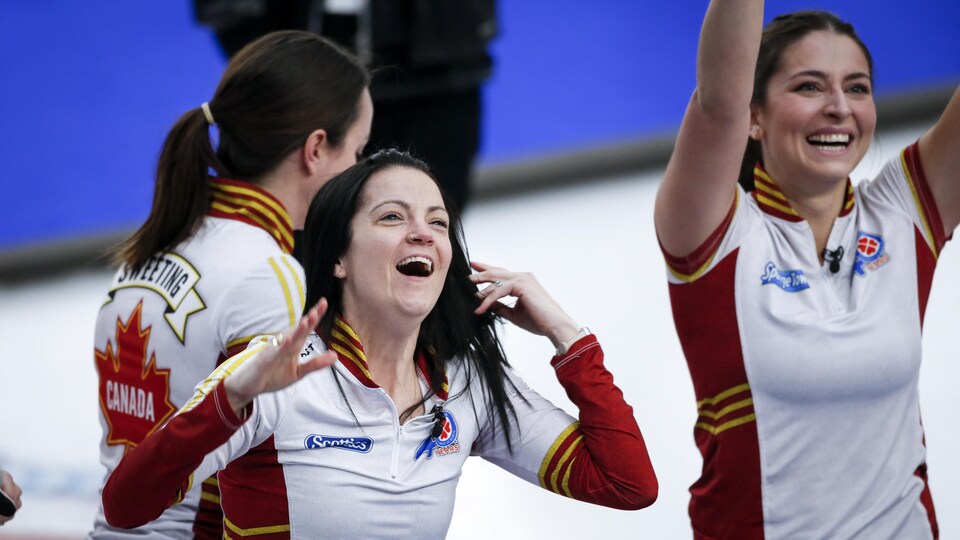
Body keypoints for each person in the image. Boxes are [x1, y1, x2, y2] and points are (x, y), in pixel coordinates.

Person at [100, 149, 658, 537]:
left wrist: (568, 335)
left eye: (438, 223)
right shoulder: (275, 375)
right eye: (392, 217)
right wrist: (228, 402)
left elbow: (627, 483)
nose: (422, 233)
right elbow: (126, 506)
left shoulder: (467, 385)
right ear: (338, 259)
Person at [655, 1, 959, 538]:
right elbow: (716, 104)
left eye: (858, 88)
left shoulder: (903, 211)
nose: (840, 107)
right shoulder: (716, 234)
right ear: (755, 117)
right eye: (809, 87)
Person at [89, 30, 372, 539]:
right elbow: (271, 462)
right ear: (315, 149)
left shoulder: (152, 244)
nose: (358, 173)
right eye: (357, 151)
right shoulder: (267, 271)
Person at [193, 0, 495, 213]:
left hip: (440, 78)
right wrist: (272, 65)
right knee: (309, 243)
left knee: (434, 239)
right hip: (302, 77)